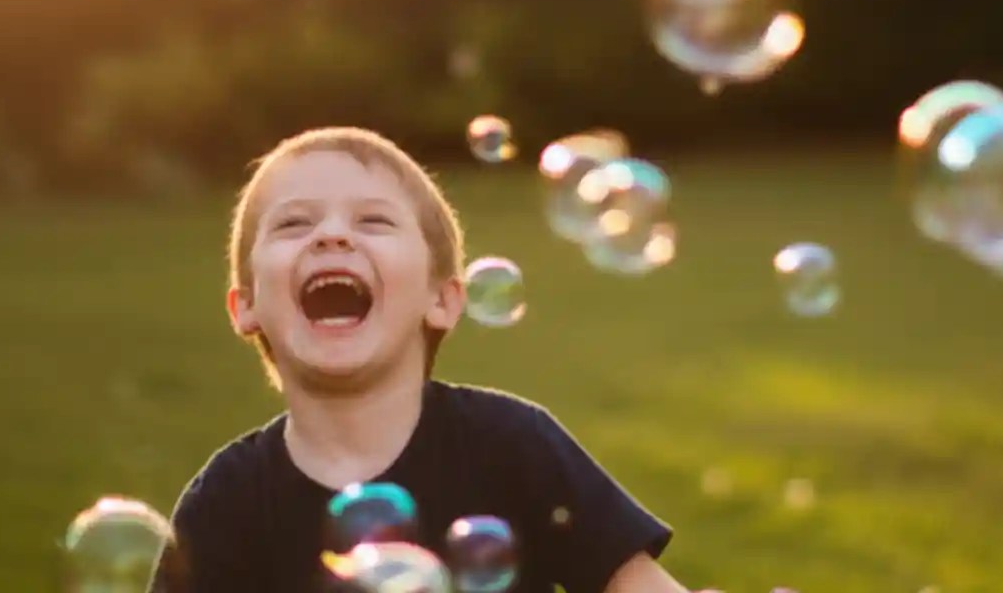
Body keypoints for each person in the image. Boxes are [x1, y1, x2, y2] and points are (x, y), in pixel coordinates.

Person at [150, 127, 697, 593]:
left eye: (373, 222)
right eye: (294, 224)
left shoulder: (512, 444)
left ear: (442, 299)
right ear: (245, 306)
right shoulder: (226, 503)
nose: (332, 235)